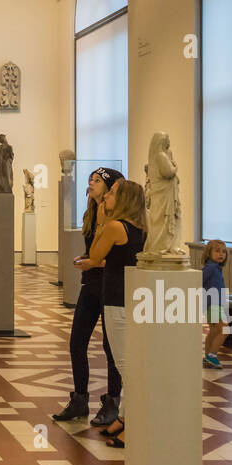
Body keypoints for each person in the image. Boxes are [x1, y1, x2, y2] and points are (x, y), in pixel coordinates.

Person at [52, 167, 125, 425]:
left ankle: (112, 401)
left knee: (111, 346)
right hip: (91, 283)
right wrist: (86, 259)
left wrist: (94, 262)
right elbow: (94, 250)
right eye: (90, 180)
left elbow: (118, 258)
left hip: (111, 285)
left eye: (97, 180)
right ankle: (80, 399)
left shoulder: (116, 219)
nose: (91, 183)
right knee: (77, 341)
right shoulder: (91, 214)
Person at [83, 178, 147, 448]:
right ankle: (122, 417)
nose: (106, 196)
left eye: (111, 193)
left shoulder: (114, 227)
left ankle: (135, 424)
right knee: (128, 360)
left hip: (117, 301)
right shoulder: (141, 228)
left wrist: (101, 222)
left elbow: (95, 255)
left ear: (123, 200)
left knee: (124, 364)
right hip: (135, 299)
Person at [202, 239, 228, 368]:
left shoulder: (216, 268)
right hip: (212, 304)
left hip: (215, 303)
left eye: (223, 252)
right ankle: (212, 355)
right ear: (209, 253)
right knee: (224, 329)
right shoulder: (211, 268)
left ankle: (207, 356)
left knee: (213, 330)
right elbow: (199, 280)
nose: (221, 254)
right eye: (217, 251)